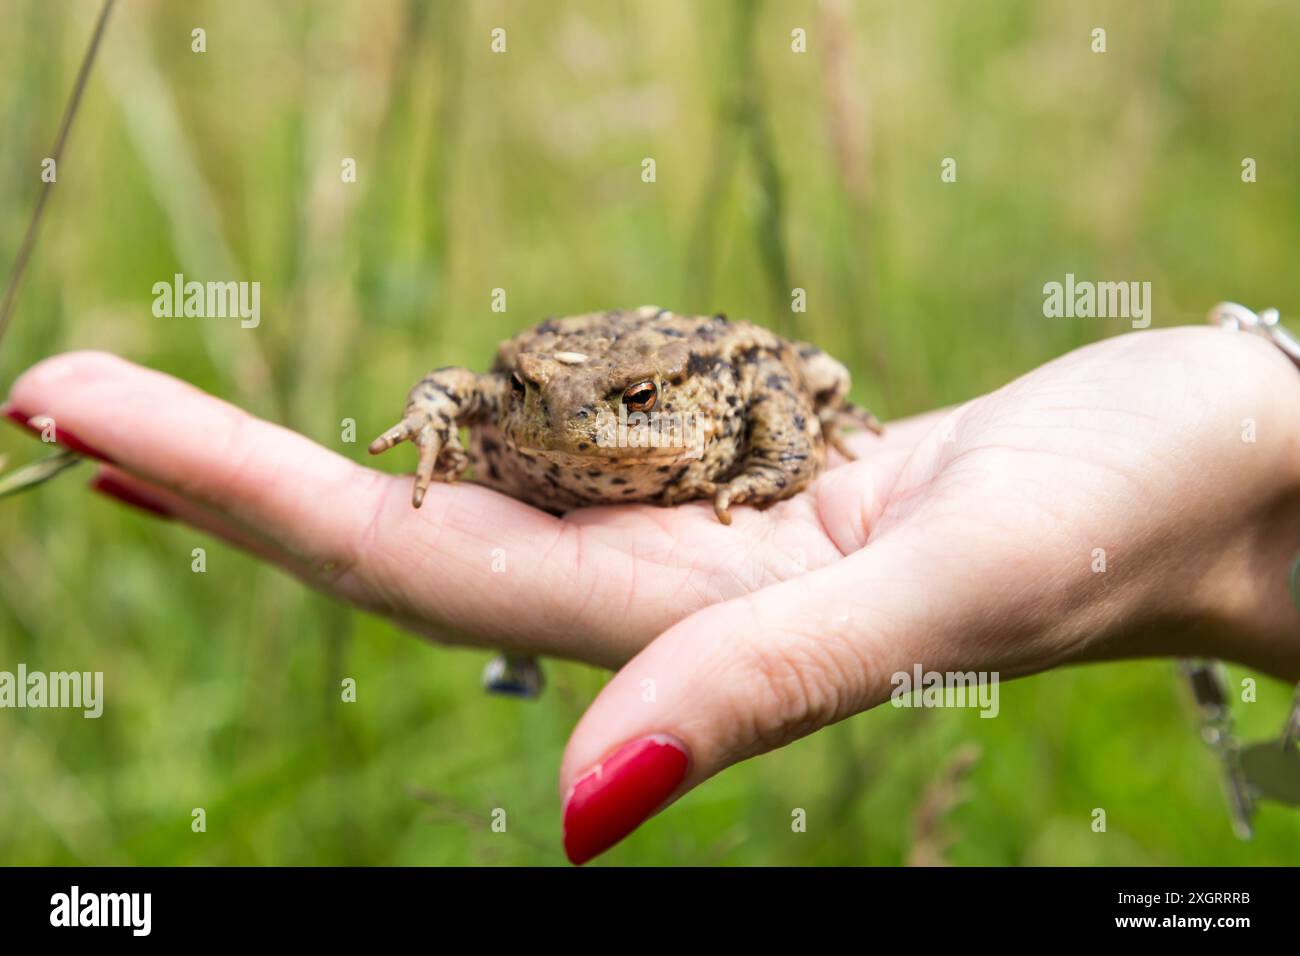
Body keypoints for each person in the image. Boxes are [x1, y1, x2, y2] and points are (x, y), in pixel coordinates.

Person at [6, 325, 1300, 864]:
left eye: (619, 413)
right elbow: (455, 387)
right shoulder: (522, 399)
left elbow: (782, 392)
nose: (578, 426)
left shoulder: (711, 390)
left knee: (819, 372)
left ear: (658, 404)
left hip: (721, 358)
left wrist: (772, 467)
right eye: (543, 400)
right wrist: (441, 424)